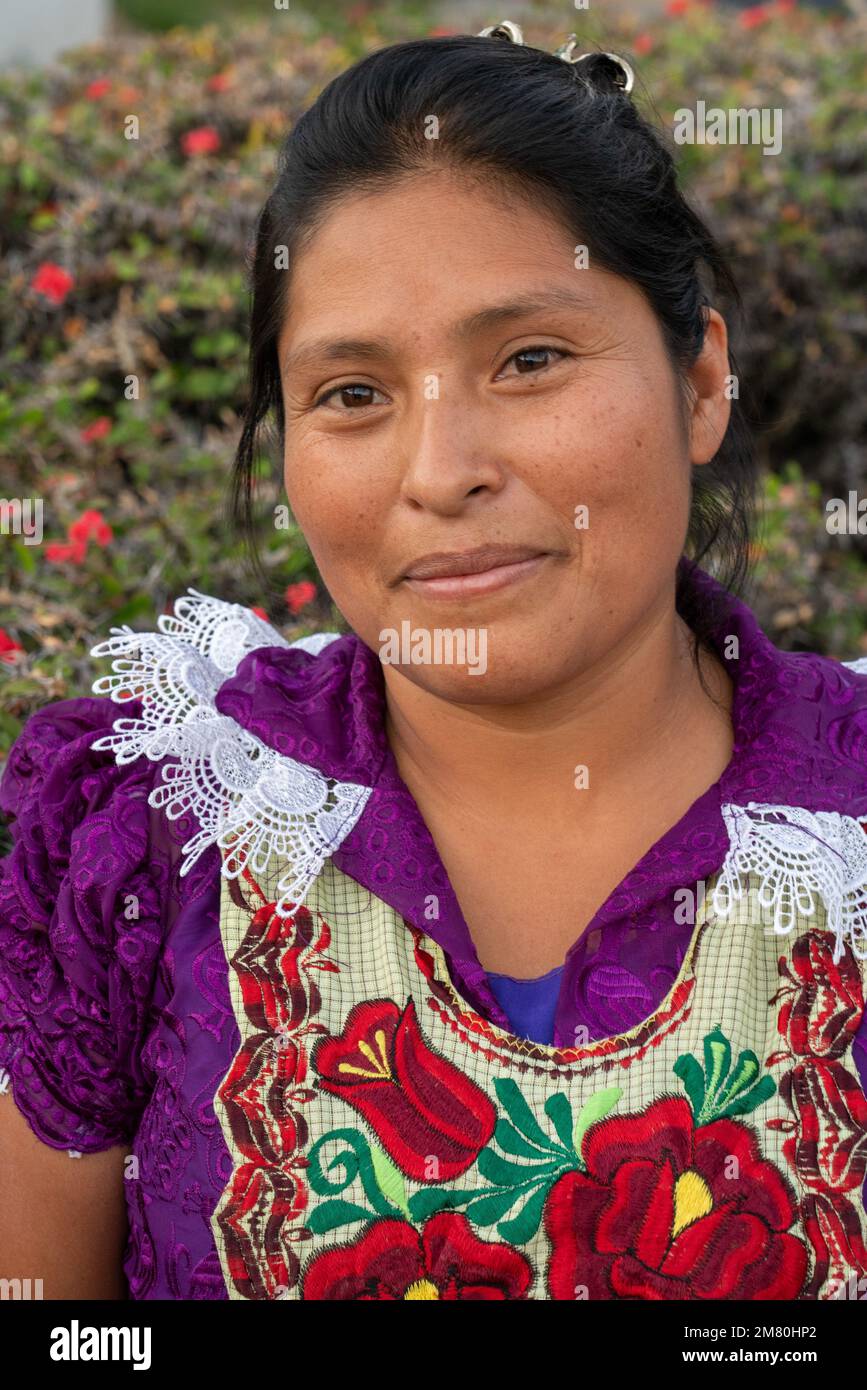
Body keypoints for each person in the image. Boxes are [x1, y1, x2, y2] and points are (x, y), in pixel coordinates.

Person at [1, 22, 866, 1302]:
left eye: (529, 360)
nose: (439, 469)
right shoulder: (145, 835)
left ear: (700, 381)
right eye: (352, 391)